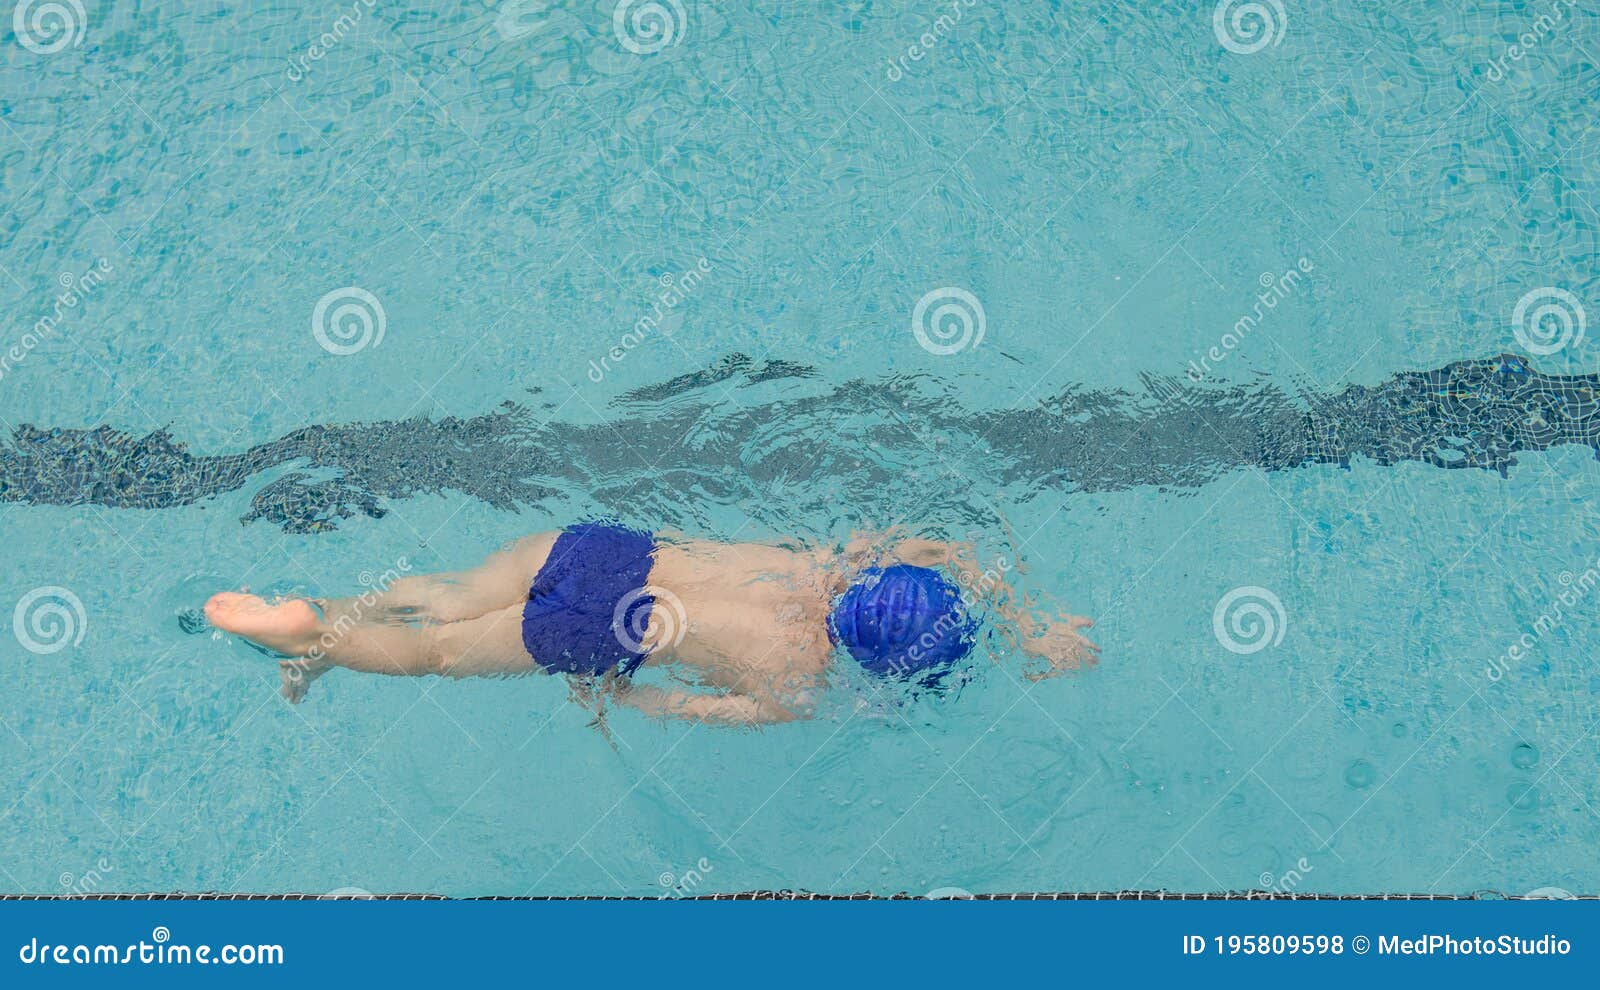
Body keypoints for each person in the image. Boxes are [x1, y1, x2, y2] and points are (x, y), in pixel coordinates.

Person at [204, 521, 1099, 725]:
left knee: (446, 595)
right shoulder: (797, 683)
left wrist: (1032, 627)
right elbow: (679, 710)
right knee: (434, 654)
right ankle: (309, 636)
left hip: (597, 551)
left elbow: (947, 549)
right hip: (605, 632)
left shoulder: (838, 561)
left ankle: (321, 617)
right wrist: (619, 700)